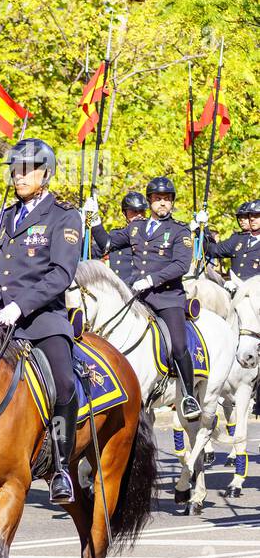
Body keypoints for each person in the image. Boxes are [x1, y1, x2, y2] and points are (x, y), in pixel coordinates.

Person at [0, 138, 84, 504]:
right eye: (15, 170)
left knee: (64, 383)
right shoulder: (7, 216)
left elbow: (61, 273)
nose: (18, 177)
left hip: (41, 317)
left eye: (27, 170)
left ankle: (62, 466)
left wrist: (20, 306)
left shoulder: (65, 217)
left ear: (45, 173)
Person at [88, 176, 201, 422]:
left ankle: (189, 396)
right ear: (150, 201)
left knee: (178, 345)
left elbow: (182, 264)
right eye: (158, 199)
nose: (163, 203)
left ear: (172, 203)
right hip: (137, 296)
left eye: (167, 199)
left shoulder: (179, 230)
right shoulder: (136, 228)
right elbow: (107, 243)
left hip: (167, 298)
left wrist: (152, 280)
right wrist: (94, 220)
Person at [95, 192, 148, 287]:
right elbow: (96, 250)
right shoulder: (116, 234)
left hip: (136, 289)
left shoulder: (148, 233)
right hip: (115, 289)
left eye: (141, 211)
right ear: (124, 214)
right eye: (134, 212)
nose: (139, 215)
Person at [207, 200, 260, 286]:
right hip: (234, 293)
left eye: (257, 215)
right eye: (250, 215)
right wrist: (202, 228)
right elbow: (213, 250)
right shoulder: (238, 239)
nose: (252, 218)